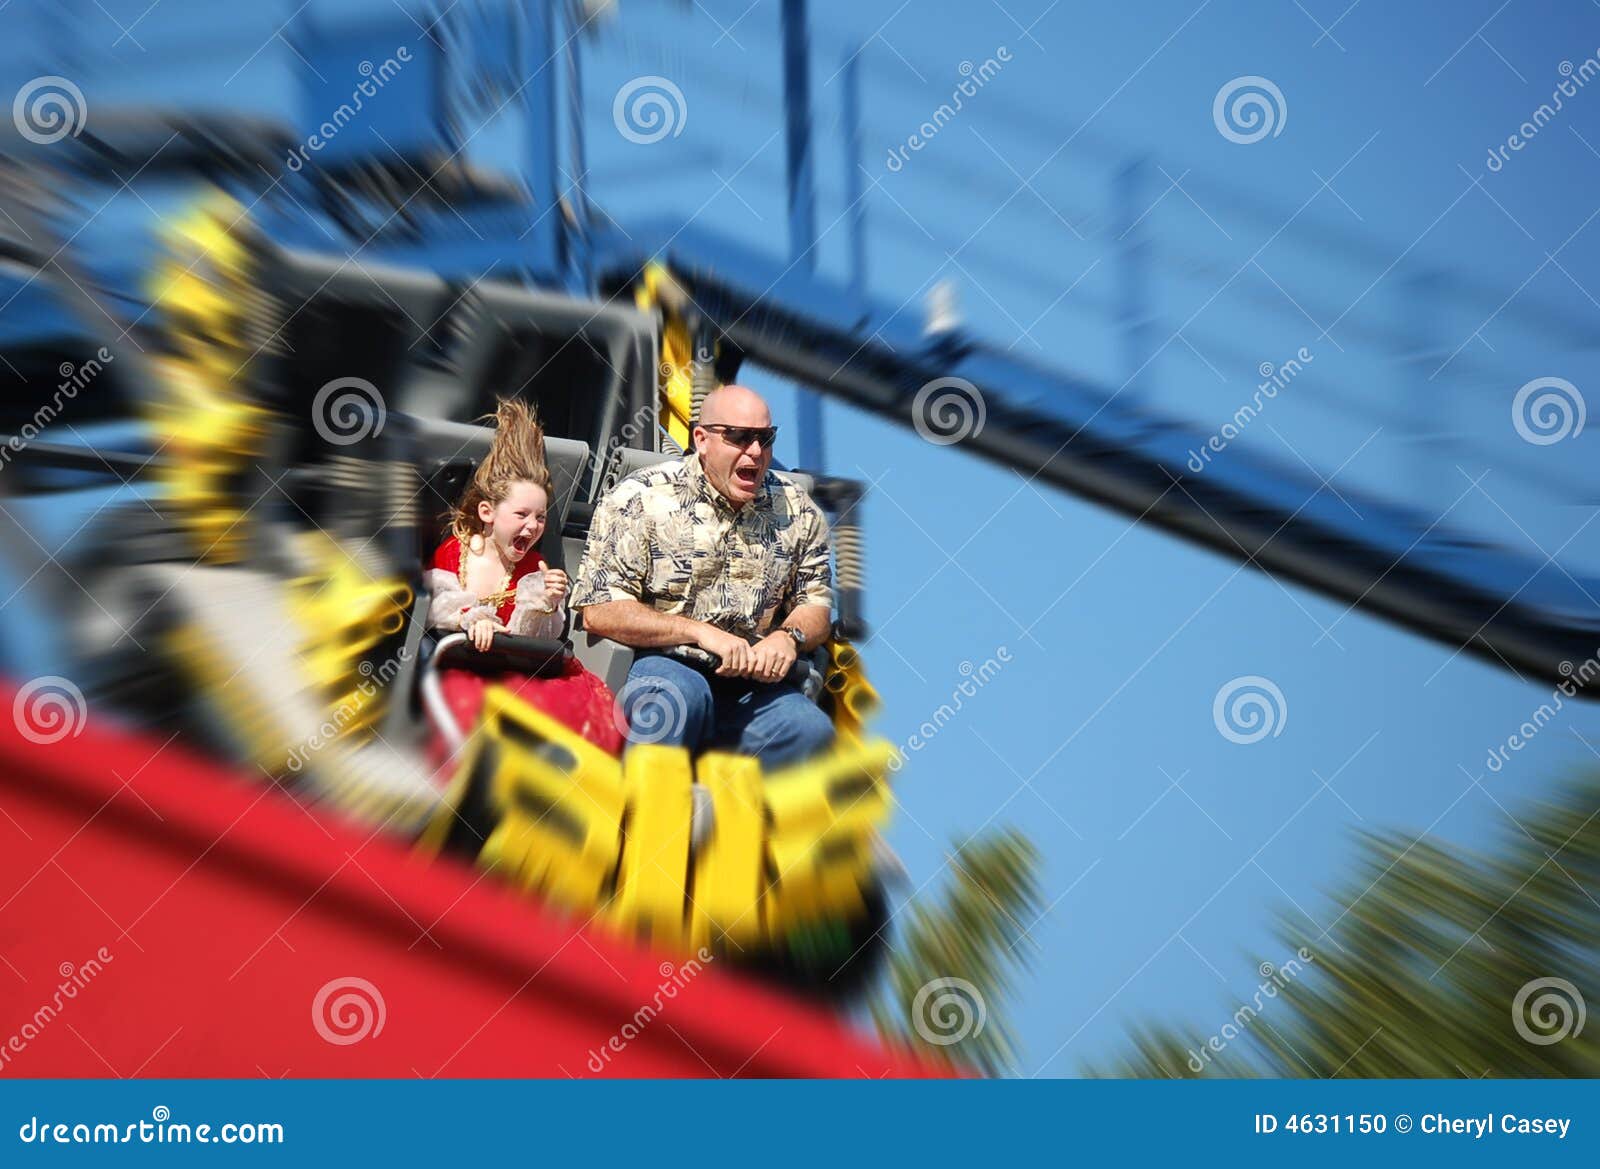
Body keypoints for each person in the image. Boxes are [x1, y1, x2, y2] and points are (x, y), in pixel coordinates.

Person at [570, 384, 835, 769]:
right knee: (676, 699)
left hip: (754, 687)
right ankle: (647, 822)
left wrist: (788, 637)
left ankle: (739, 824)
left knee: (808, 729)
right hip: (665, 665)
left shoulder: (798, 511)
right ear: (702, 440)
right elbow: (599, 609)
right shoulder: (641, 498)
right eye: (740, 438)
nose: (756, 452)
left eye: (765, 438)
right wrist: (699, 633)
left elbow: (815, 603)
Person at [425, 398, 623, 758]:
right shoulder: (457, 552)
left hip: (513, 674)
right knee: (474, 714)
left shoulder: (534, 567)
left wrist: (546, 605)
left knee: (564, 717)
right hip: (463, 668)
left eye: (541, 518)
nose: (532, 526)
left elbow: (536, 640)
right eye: (521, 514)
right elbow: (437, 603)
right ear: (487, 512)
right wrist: (473, 619)